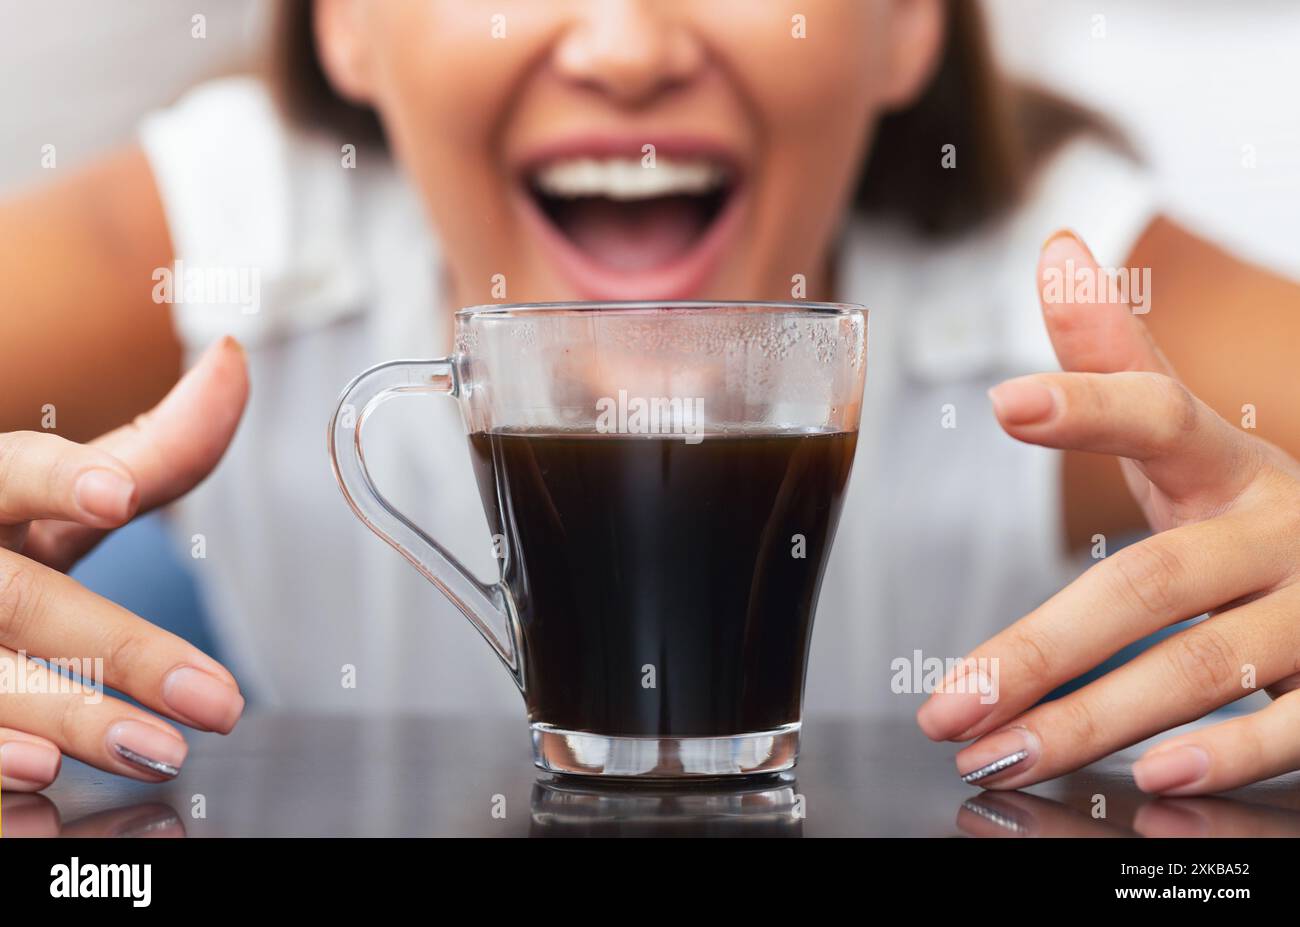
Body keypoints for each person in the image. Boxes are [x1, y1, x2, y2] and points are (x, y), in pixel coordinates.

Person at [1, 0, 1298, 797]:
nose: (626, 48)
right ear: (347, 22)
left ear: (908, 21)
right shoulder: (239, 226)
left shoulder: (1056, 285)